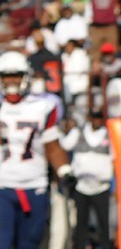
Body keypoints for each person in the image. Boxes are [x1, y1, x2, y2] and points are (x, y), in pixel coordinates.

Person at [0, 51, 76, 249]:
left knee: (30, 243)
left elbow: (52, 146)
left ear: (26, 76)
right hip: (3, 185)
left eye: (16, 75)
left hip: (35, 184)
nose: (12, 81)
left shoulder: (42, 107)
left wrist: (64, 170)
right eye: (7, 76)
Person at [60, 109, 114, 249]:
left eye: (100, 117)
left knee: (103, 223)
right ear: (90, 117)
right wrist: (67, 129)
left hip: (101, 187)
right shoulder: (78, 133)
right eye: (95, 117)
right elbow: (64, 145)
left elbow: (115, 158)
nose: (97, 120)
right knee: (81, 224)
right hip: (82, 186)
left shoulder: (109, 135)